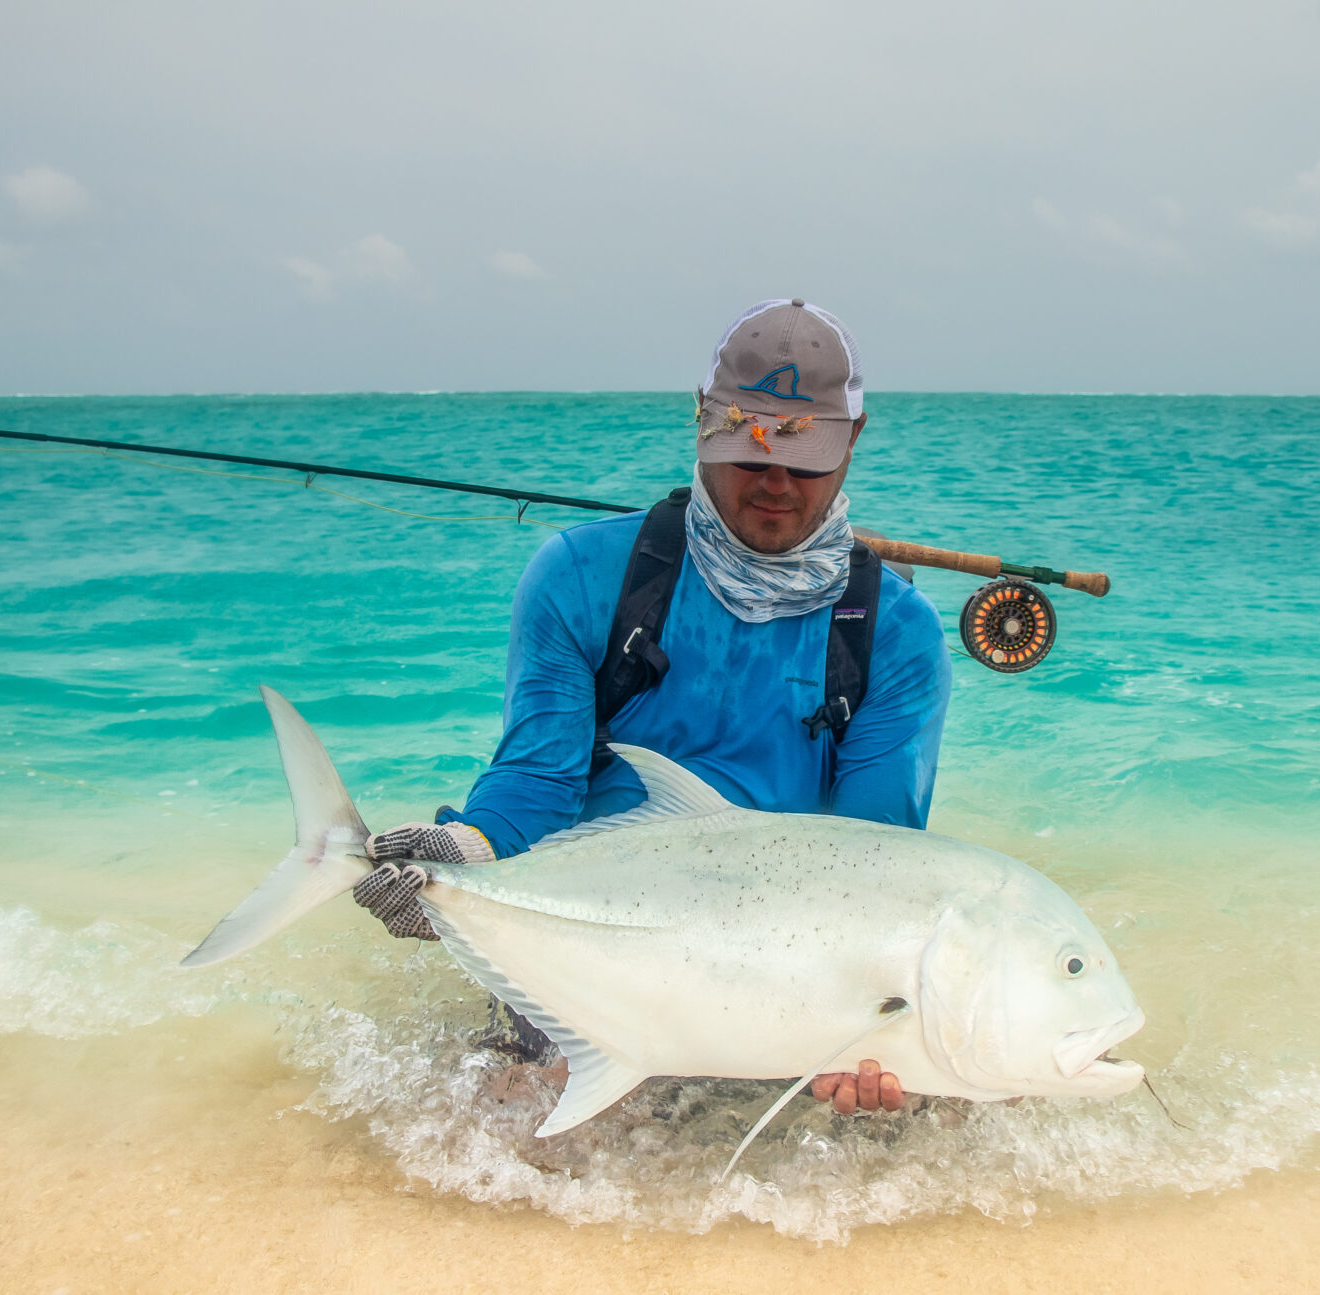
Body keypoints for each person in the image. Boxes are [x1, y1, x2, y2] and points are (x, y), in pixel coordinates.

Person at [352, 299, 953, 1115]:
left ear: (854, 439)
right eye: (752, 452)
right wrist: (466, 849)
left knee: (940, 1102)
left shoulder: (898, 633)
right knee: (503, 1116)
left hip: (785, 965)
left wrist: (872, 1022)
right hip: (595, 947)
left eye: (806, 458)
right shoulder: (579, 574)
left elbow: (874, 861)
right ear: (702, 420)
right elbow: (538, 777)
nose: (778, 483)